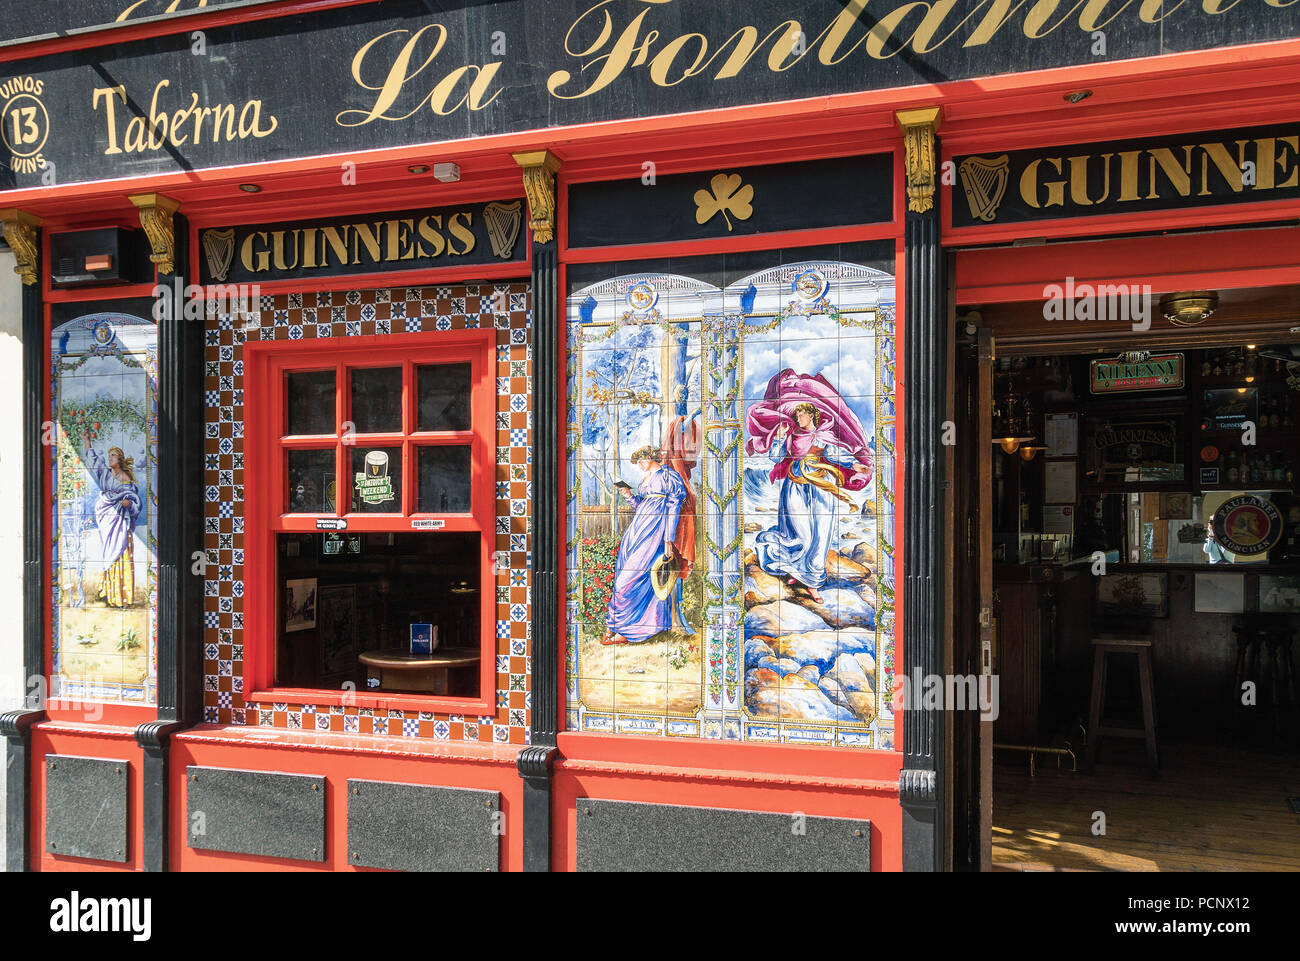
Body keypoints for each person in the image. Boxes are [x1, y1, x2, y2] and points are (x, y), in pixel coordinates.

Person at [745, 371, 873, 605]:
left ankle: (812, 583)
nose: (798, 416)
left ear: (811, 414)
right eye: (797, 413)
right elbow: (776, 458)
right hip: (795, 486)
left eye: (801, 413)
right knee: (800, 534)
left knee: (821, 536)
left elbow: (839, 455)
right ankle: (796, 570)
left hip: (821, 488)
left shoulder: (823, 435)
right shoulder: (790, 435)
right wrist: (777, 438)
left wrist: (857, 465)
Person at [603, 445, 692, 645]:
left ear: (650, 458)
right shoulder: (645, 480)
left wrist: (668, 539)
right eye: (638, 463)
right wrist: (628, 495)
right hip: (636, 533)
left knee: (631, 580)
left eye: (641, 461)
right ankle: (617, 625)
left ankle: (628, 630)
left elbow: (673, 508)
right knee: (628, 576)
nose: (640, 466)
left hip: (654, 534)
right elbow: (642, 506)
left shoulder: (668, 477)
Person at [82, 432, 142, 607]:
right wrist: (87, 441)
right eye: (108, 456)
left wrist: (127, 503)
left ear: (120, 459)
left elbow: (134, 500)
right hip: (106, 518)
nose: (109, 459)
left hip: (121, 521)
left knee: (121, 553)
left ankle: (122, 596)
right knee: (109, 554)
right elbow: (93, 461)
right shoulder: (106, 474)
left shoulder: (126, 479)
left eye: (113, 456)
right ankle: (109, 593)